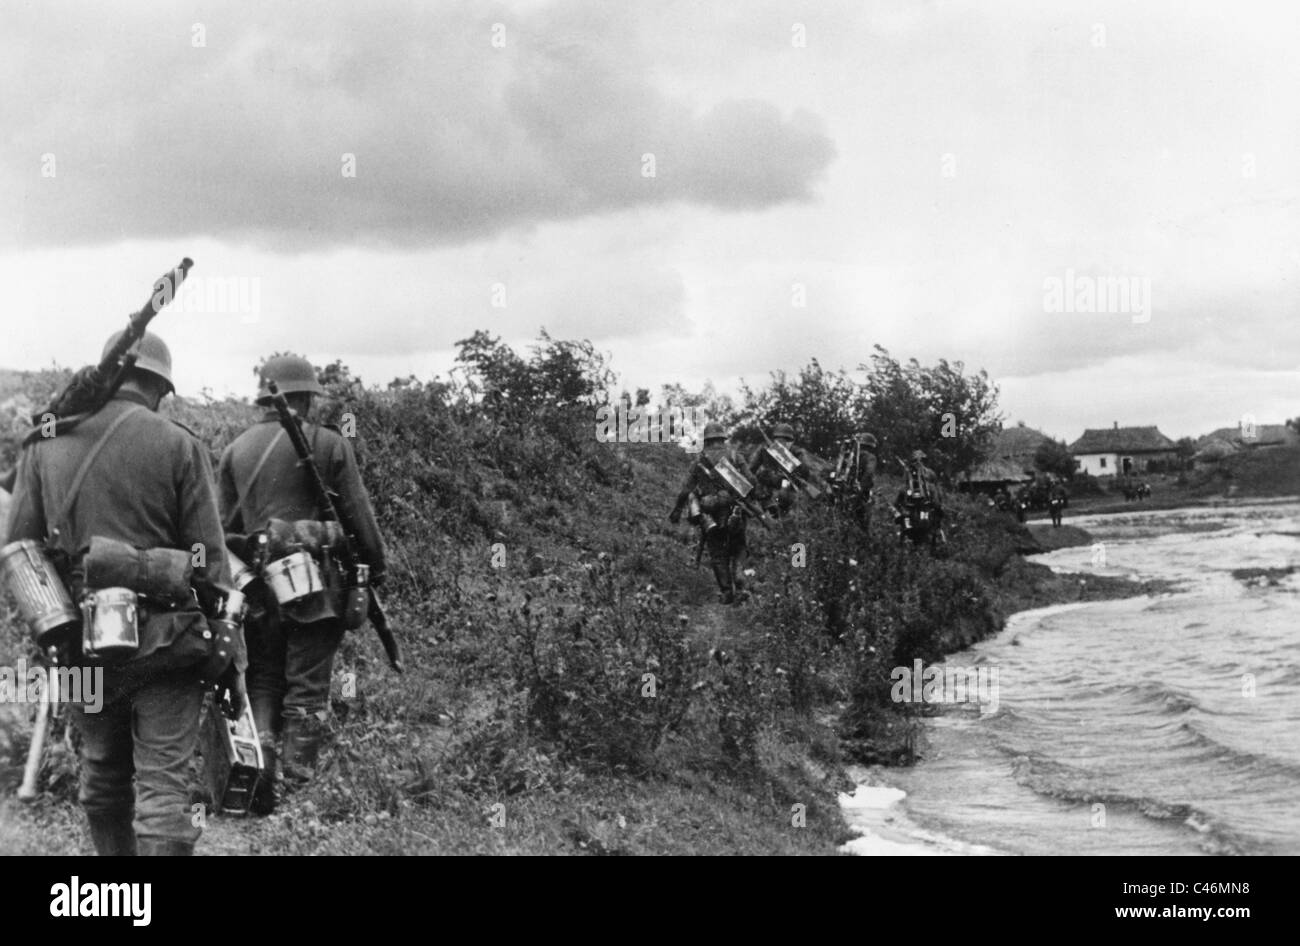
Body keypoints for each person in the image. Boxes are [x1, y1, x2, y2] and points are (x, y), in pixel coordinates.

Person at [3, 331, 237, 856]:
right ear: (160, 388)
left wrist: (56, 627)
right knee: (164, 791)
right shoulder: (180, 444)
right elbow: (208, 563)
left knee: (104, 782)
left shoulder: (46, 444)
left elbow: (17, 548)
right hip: (169, 644)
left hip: (82, 644)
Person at [218, 354, 386, 813]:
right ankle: (296, 792)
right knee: (308, 686)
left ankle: (259, 780)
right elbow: (360, 522)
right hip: (316, 591)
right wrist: (375, 567)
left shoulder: (236, 449)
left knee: (265, 680)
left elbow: (221, 531)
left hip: (258, 589)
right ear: (308, 397)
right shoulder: (330, 445)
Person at [669, 422, 756, 604]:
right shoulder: (735, 456)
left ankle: (726, 592)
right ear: (723, 439)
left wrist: (677, 510)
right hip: (736, 509)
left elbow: (686, 490)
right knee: (738, 547)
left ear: (706, 441)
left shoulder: (700, 461)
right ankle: (740, 583)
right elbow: (751, 481)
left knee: (717, 553)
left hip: (711, 513)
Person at [746, 422, 824, 519]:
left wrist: (789, 462)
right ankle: (769, 507)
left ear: (790, 441)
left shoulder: (797, 452)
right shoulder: (765, 449)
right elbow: (751, 469)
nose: (780, 442)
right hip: (770, 482)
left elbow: (805, 472)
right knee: (760, 477)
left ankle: (781, 511)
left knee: (784, 488)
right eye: (778, 439)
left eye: (784, 440)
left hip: (789, 483)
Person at [893, 450, 944, 548]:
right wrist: (939, 506)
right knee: (938, 515)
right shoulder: (929, 474)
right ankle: (936, 534)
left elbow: (899, 498)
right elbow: (938, 495)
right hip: (921, 504)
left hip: (916, 505)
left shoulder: (908, 472)